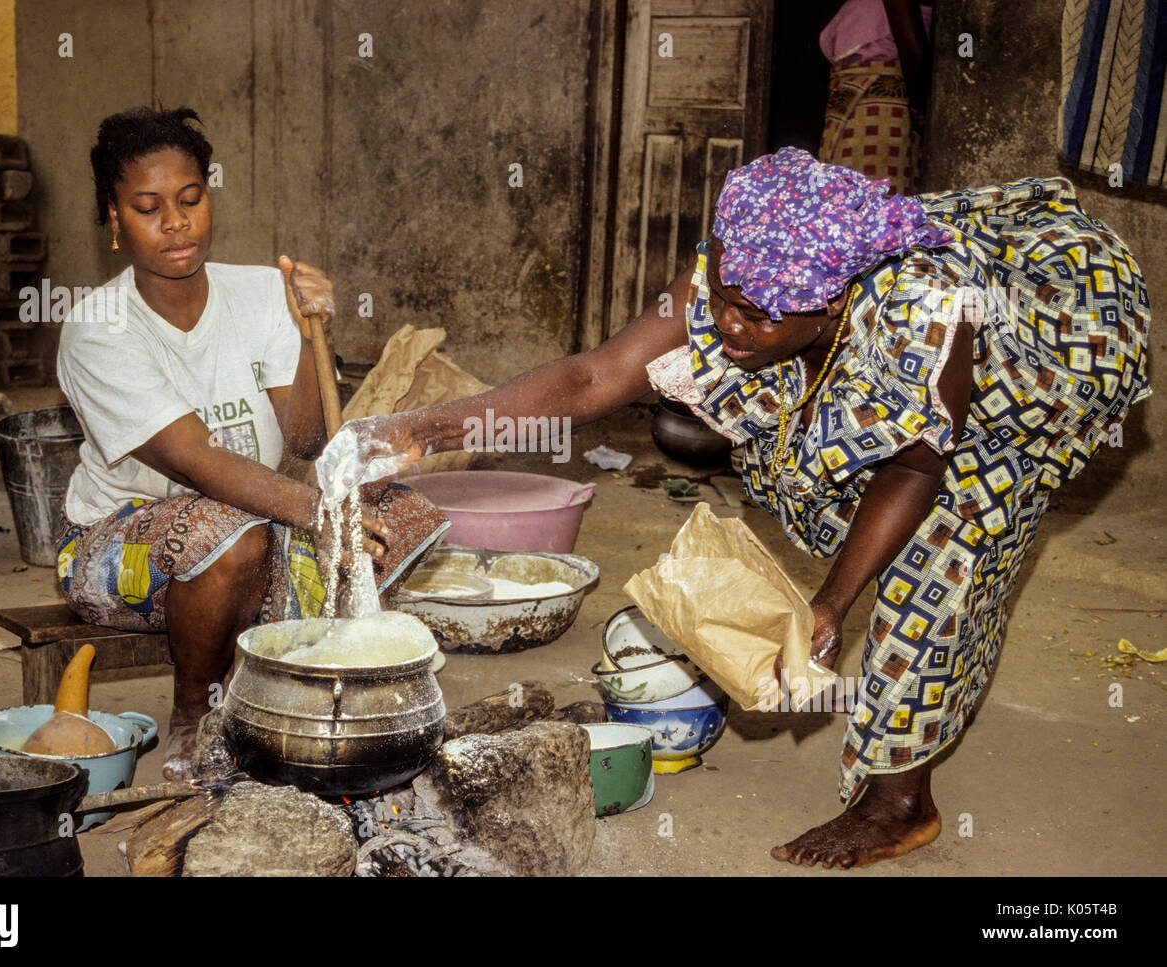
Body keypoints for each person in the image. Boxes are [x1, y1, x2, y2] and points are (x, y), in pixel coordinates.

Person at [354, 147, 1150, 868]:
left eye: (762, 316)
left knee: (940, 550)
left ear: (833, 305)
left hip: (1013, 389)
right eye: (727, 297)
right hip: (873, 370)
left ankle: (901, 802)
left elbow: (915, 466)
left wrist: (833, 601)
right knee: (771, 418)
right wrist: (435, 424)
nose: (731, 325)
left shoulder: (926, 314)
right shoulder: (739, 266)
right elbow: (595, 378)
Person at [54, 107, 442, 779]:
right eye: (148, 207)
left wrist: (310, 332)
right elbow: (194, 460)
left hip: (259, 527)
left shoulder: (261, 291)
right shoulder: (97, 328)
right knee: (228, 532)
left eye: (190, 199)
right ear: (114, 222)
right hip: (121, 548)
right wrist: (319, 512)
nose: (175, 221)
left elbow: (307, 437)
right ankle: (194, 715)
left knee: (403, 513)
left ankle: (305, 695)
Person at [818, 0, 934, 191]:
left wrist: (922, 105)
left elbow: (913, 50)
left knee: (870, 201)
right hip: (862, 100)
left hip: (886, 109)